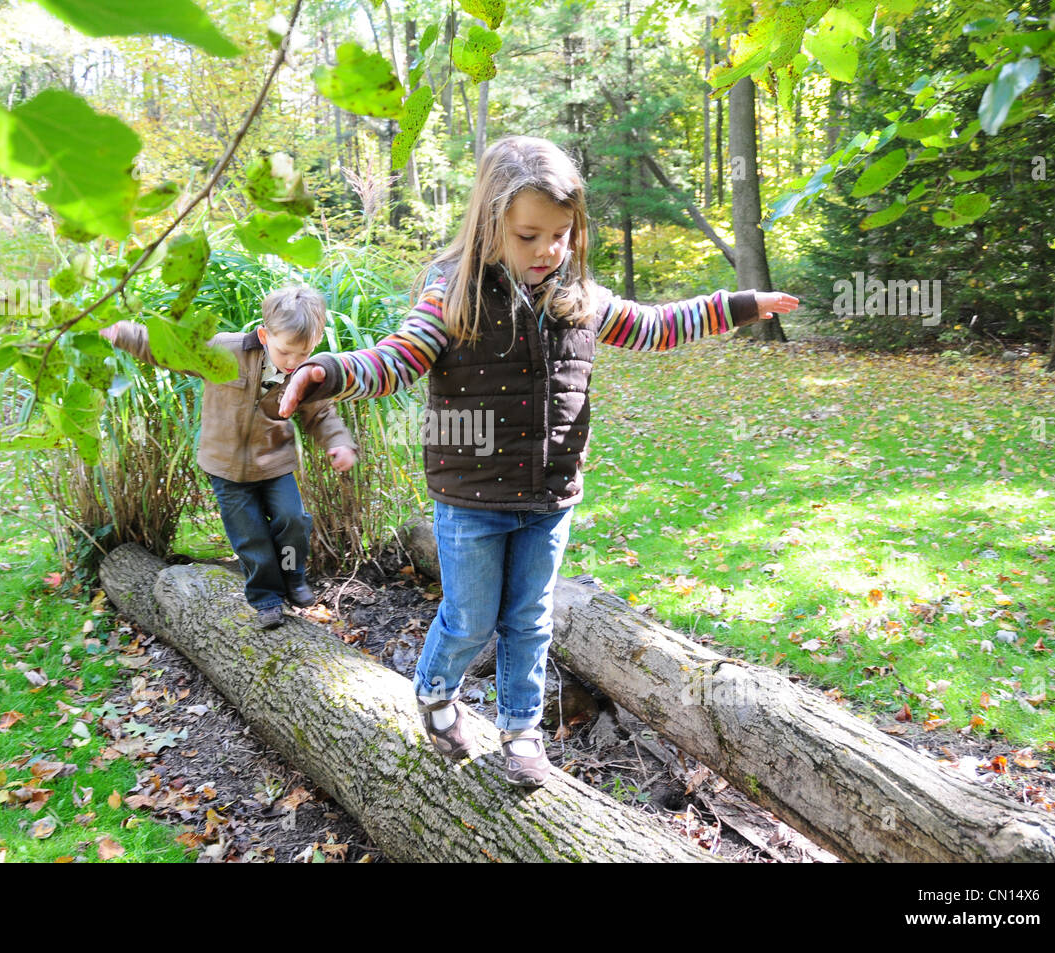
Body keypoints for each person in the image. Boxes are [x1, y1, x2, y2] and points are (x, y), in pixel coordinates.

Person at [280, 136, 798, 786]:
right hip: (469, 498)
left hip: (549, 495)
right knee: (470, 619)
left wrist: (738, 306)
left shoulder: (577, 293)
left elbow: (655, 325)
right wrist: (327, 371)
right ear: (491, 221)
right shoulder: (453, 293)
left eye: (561, 234)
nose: (548, 250)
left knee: (529, 618)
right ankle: (435, 689)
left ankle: (520, 731)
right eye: (529, 235)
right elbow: (395, 357)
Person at [102, 285, 358, 629]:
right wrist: (123, 333)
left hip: (274, 463)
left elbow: (321, 415)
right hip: (225, 467)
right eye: (286, 353)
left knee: (292, 521)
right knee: (250, 535)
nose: (295, 363)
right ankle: (266, 597)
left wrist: (339, 443)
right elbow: (173, 349)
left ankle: (292, 575)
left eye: (305, 353)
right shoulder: (225, 350)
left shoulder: (307, 373)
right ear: (265, 335)